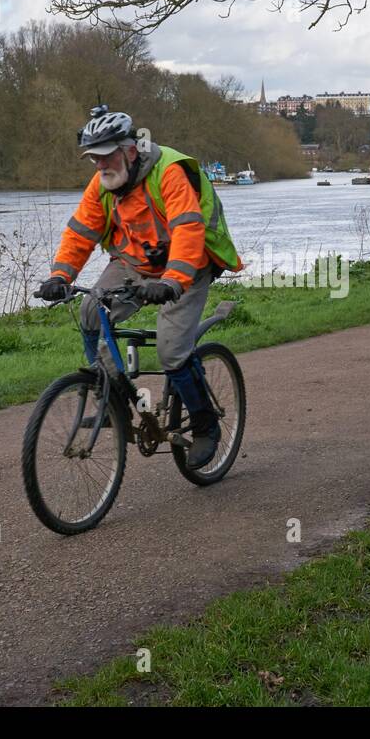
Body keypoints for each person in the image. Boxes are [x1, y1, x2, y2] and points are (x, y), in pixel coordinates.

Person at [37, 105, 243, 468]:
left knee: (170, 349)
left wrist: (171, 283)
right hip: (136, 262)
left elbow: (187, 231)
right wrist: (59, 276)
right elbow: (80, 233)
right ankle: (112, 393)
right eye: (93, 159)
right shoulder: (103, 184)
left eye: (106, 156)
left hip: (190, 265)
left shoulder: (170, 173)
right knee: (89, 312)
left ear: (130, 150)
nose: (100, 166)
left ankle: (205, 424)